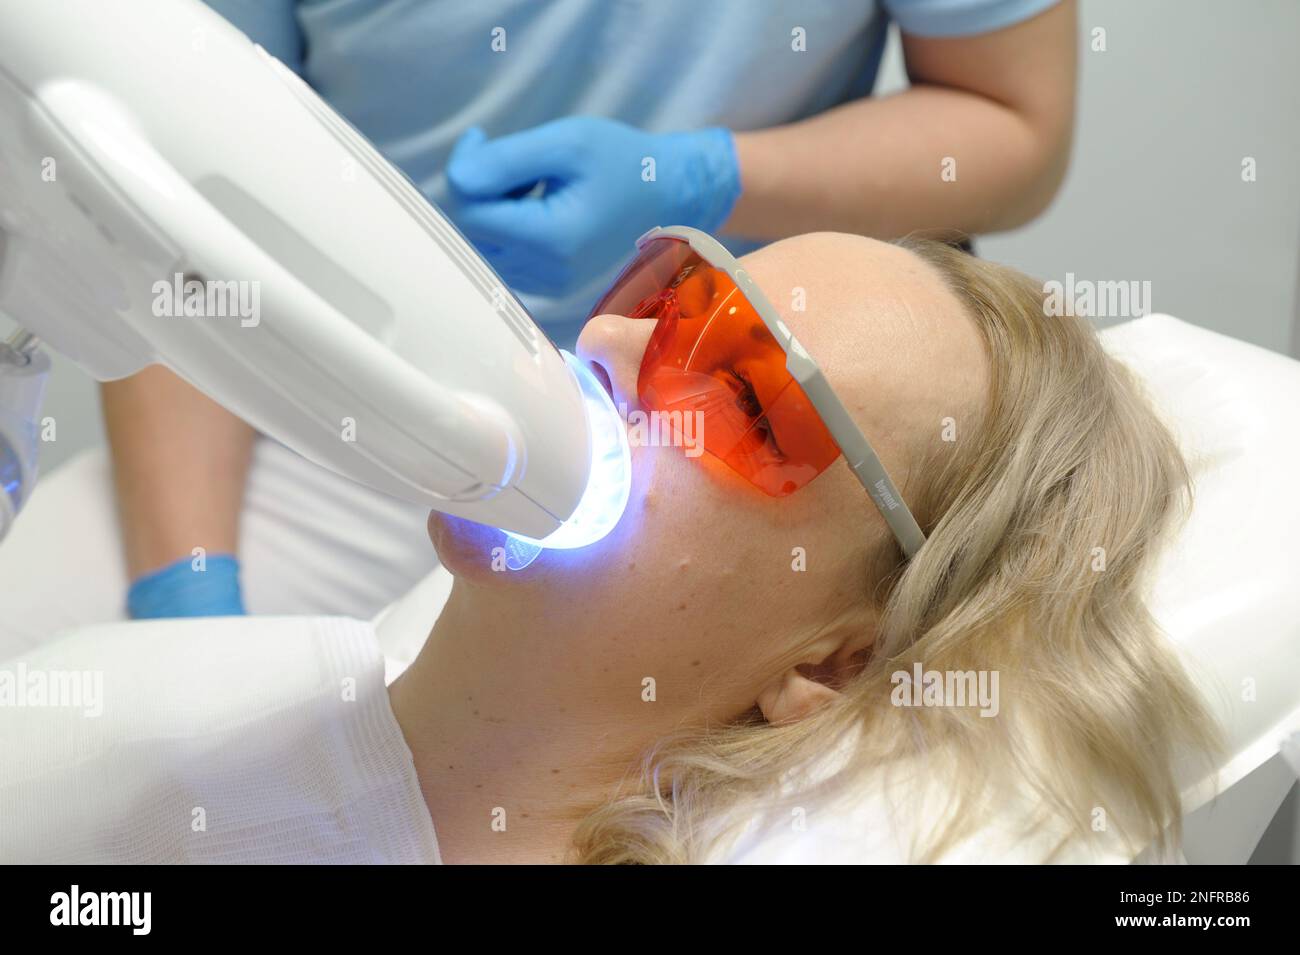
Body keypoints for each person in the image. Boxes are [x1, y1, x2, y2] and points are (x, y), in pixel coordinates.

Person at [0, 233, 1222, 864]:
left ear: (836, 662)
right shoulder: (153, 695)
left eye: (745, 397)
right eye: (667, 288)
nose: (610, 344)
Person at [0, 0, 1077, 636]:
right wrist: (187, 589)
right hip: (334, 392)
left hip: (706, 446)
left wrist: (708, 178)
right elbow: (160, 200)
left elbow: (1014, 126)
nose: (604, 337)